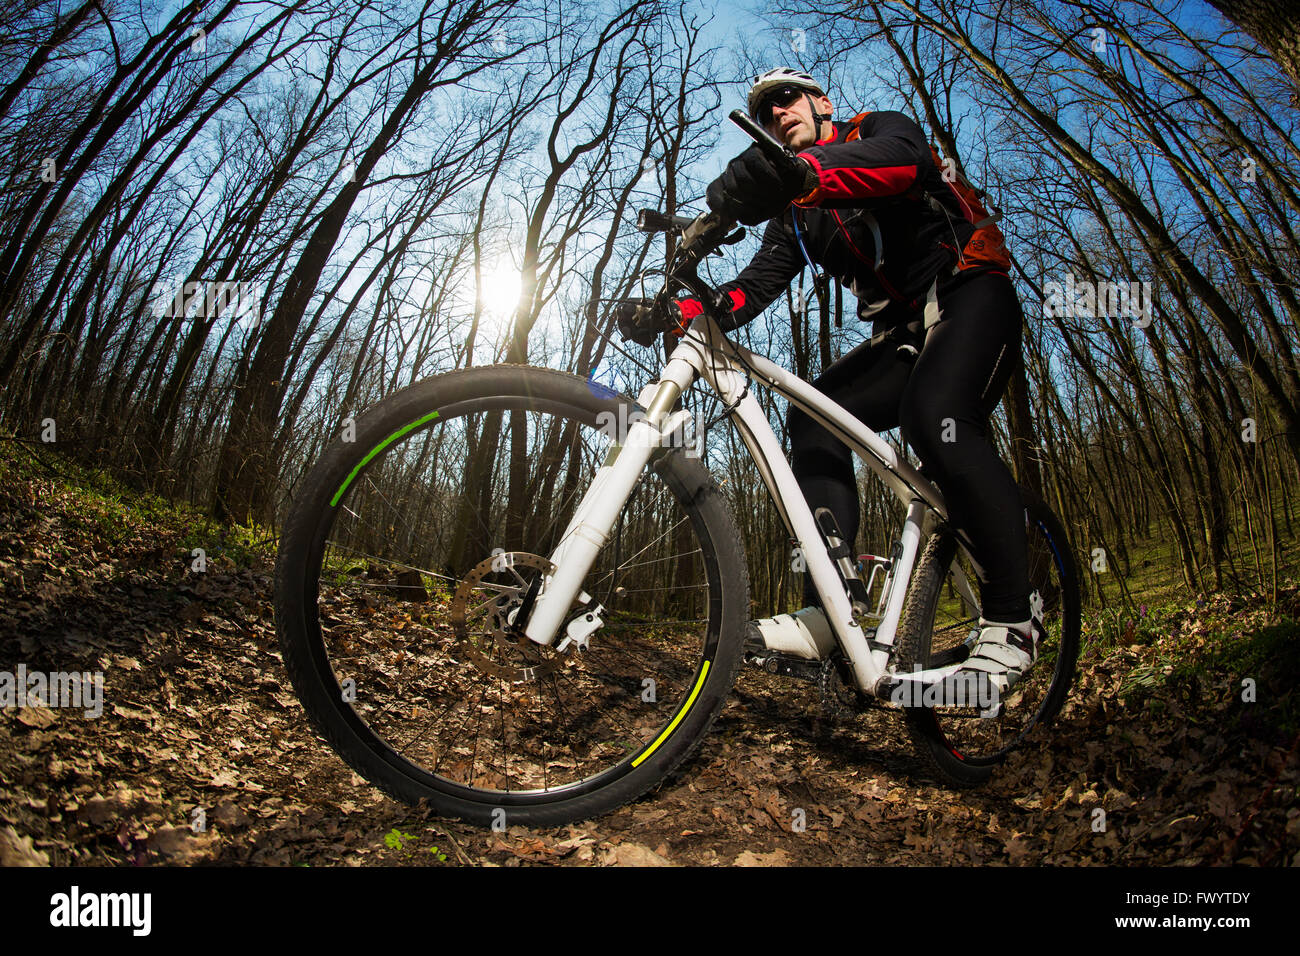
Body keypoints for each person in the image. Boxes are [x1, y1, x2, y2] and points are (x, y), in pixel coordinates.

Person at [619, 67, 1042, 694]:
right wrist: (680, 310)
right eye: (765, 115)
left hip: (969, 293)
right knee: (814, 412)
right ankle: (834, 603)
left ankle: (1015, 617)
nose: (776, 116)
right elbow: (760, 281)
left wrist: (809, 174)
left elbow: (904, 162)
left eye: (786, 101)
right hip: (901, 336)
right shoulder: (796, 214)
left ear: (823, 103)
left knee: (938, 416)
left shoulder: (879, 130)